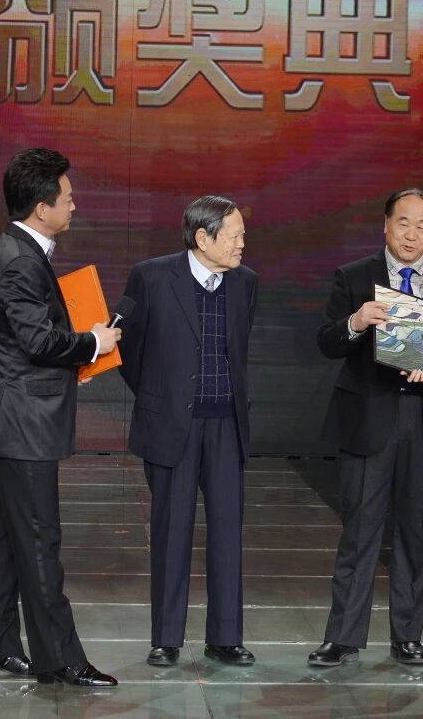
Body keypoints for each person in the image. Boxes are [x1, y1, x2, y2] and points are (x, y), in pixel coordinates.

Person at [0, 148, 121, 687]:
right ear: (42, 207)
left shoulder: (20, 250)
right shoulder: (19, 260)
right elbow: (38, 341)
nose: (74, 205)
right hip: (25, 423)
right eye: (68, 197)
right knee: (37, 541)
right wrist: (93, 343)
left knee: (9, 538)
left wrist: (79, 349)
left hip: (20, 420)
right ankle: (60, 659)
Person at [308, 188, 423, 668]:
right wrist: (356, 322)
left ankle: (408, 635)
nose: (412, 234)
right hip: (369, 419)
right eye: (404, 223)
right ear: (386, 225)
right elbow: (327, 341)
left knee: (414, 531)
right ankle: (342, 637)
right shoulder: (354, 276)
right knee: (360, 531)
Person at [118, 196, 258, 667]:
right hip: (171, 425)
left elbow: (238, 349)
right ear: (202, 237)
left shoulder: (246, 283)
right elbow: (129, 349)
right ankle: (166, 638)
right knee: (171, 532)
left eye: (242, 235)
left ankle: (225, 637)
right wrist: (160, 396)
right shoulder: (152, 276)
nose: (241, 244)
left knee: (227, 532)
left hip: (226, 425)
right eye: (234, 236)